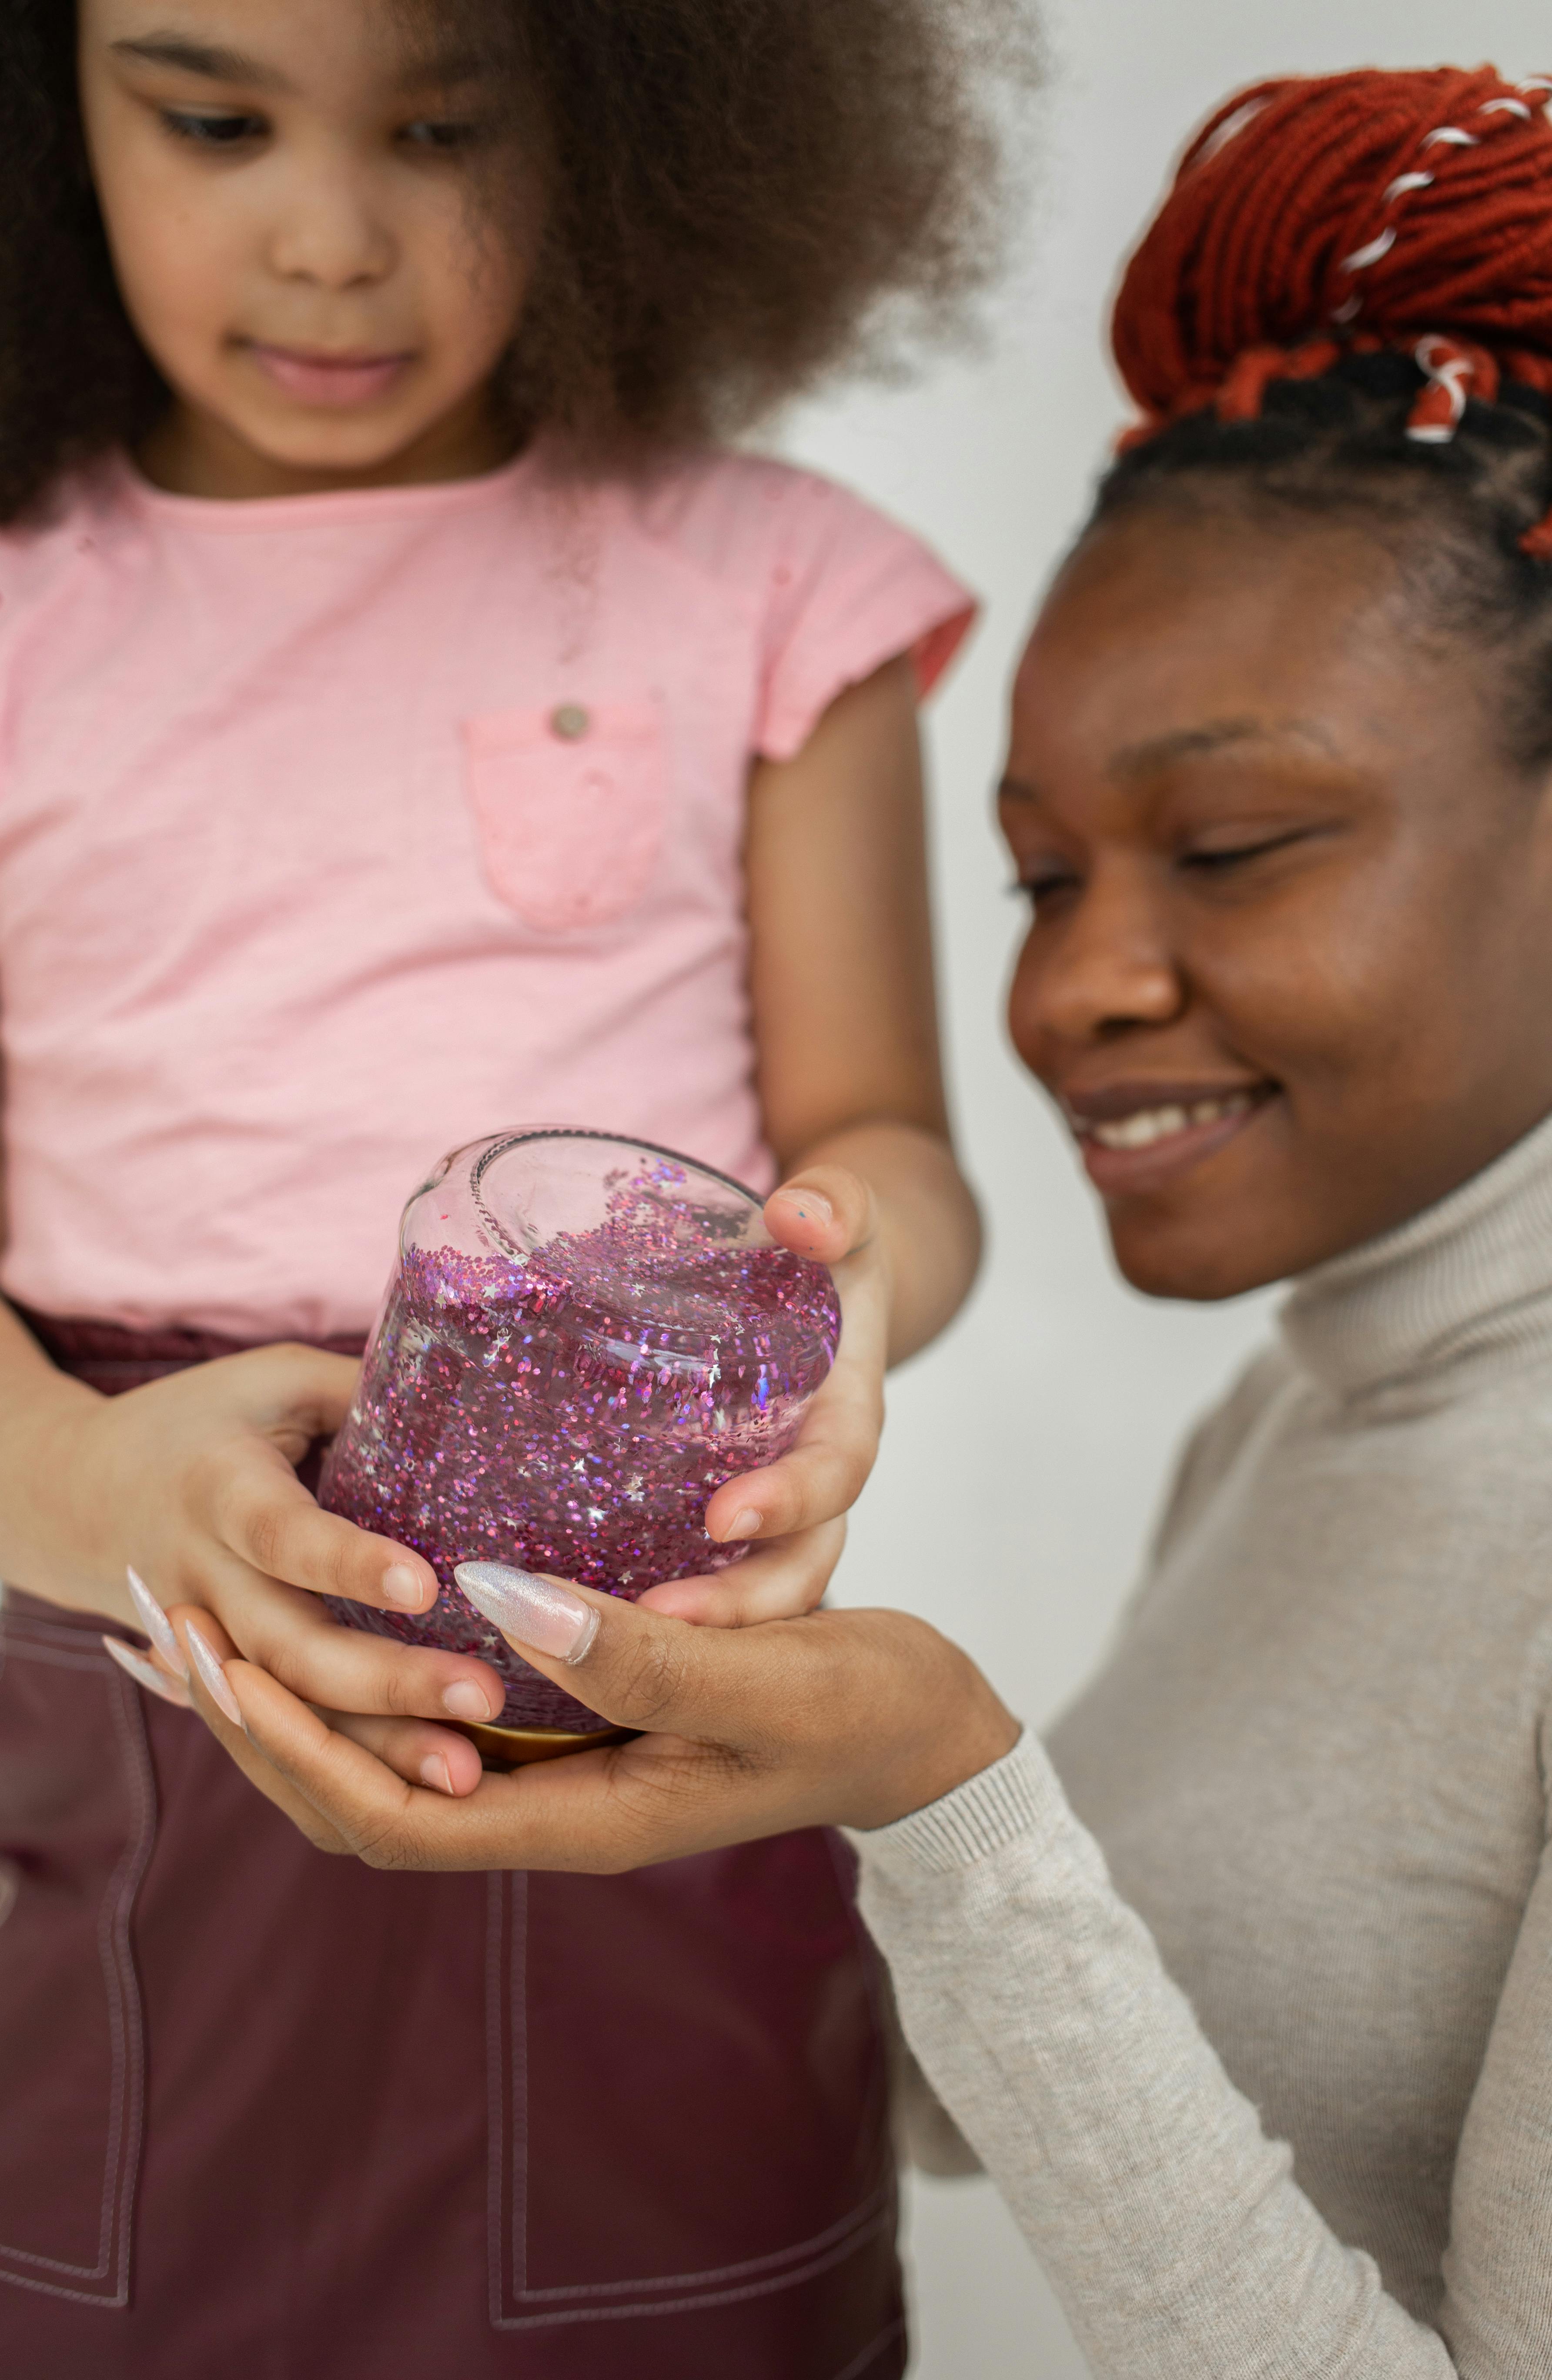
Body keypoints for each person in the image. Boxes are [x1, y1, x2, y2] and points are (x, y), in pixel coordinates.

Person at [180, 65, 1552, 2377]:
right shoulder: (1300, 1417)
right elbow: (987, 2085)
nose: (1070, 988)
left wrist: (941, 1790)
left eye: (1227, 850)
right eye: (1037, 876)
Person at [0, 1, 1008, 2370]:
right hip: (143, 1768)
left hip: (655, 1714)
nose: (332, 241)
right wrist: (96, 1479)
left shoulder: (766, 590)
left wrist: (839, 1316)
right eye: (212, 118)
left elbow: (894, 1157)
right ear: (35, 104)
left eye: (447, 130)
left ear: (644, 128)